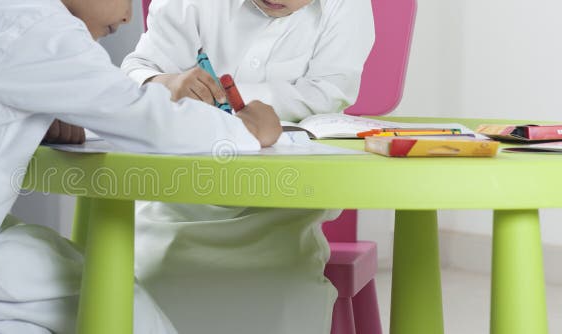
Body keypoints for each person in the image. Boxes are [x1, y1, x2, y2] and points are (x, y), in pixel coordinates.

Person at [0, 0, 283, 333]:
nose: (129, 17)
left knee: (67, 273)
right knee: (115, 297)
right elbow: (144, 117)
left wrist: (36, 120)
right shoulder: (42, 27)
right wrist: (245, 130)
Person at [121, 0, 375, 333]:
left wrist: (245, 105)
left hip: (286, 210)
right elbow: (139, 70)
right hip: (177, 203)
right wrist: (167, 84)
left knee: (287, 295)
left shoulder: (347, 7)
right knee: (150, 292)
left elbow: (329, 91)